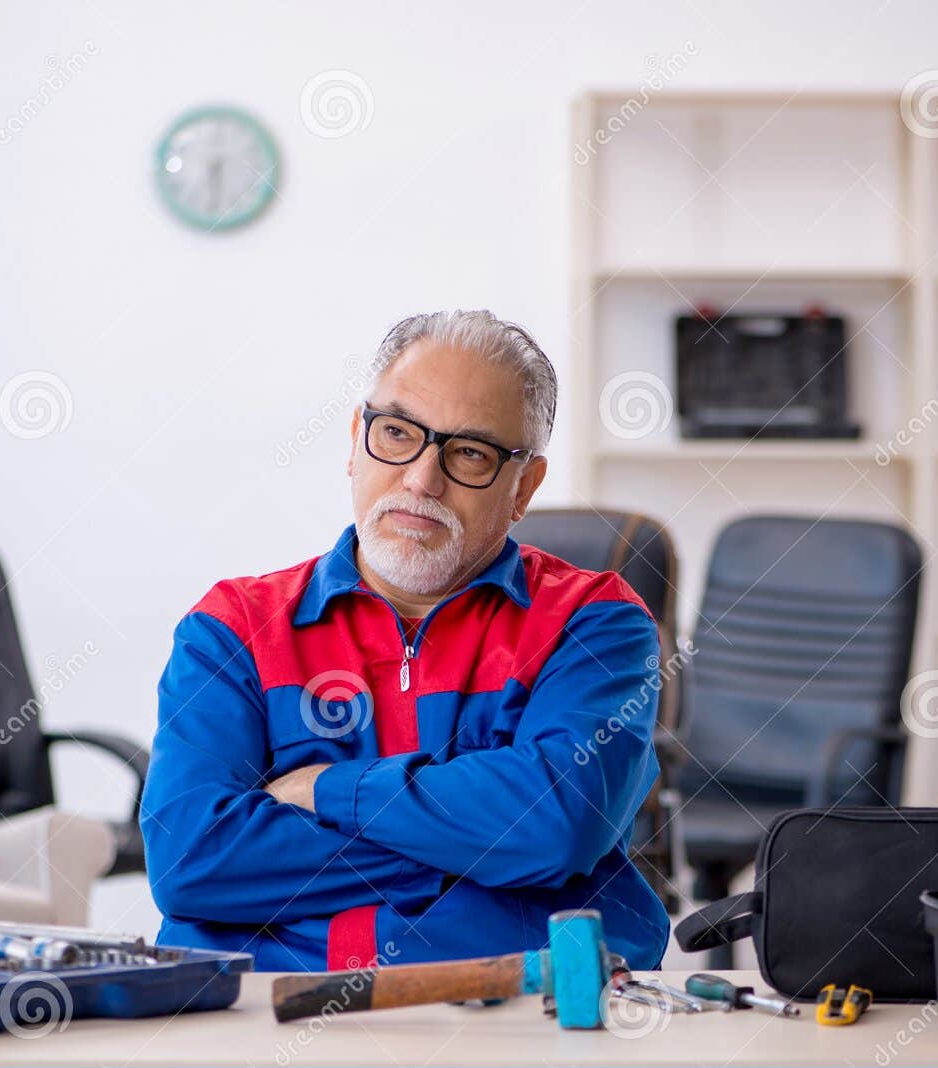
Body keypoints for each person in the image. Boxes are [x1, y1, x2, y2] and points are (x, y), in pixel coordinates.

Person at [141, 309, 670, 971]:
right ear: (356, 442)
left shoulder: (593, 622)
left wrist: (329, 791)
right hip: (265, 1017)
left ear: (524, 487)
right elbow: (191, 859)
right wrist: (475, 849)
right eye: (396, 433)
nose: (421, 479)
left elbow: (556, 828)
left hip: (520, 1021)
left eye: (470, 452)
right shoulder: (234, 628)